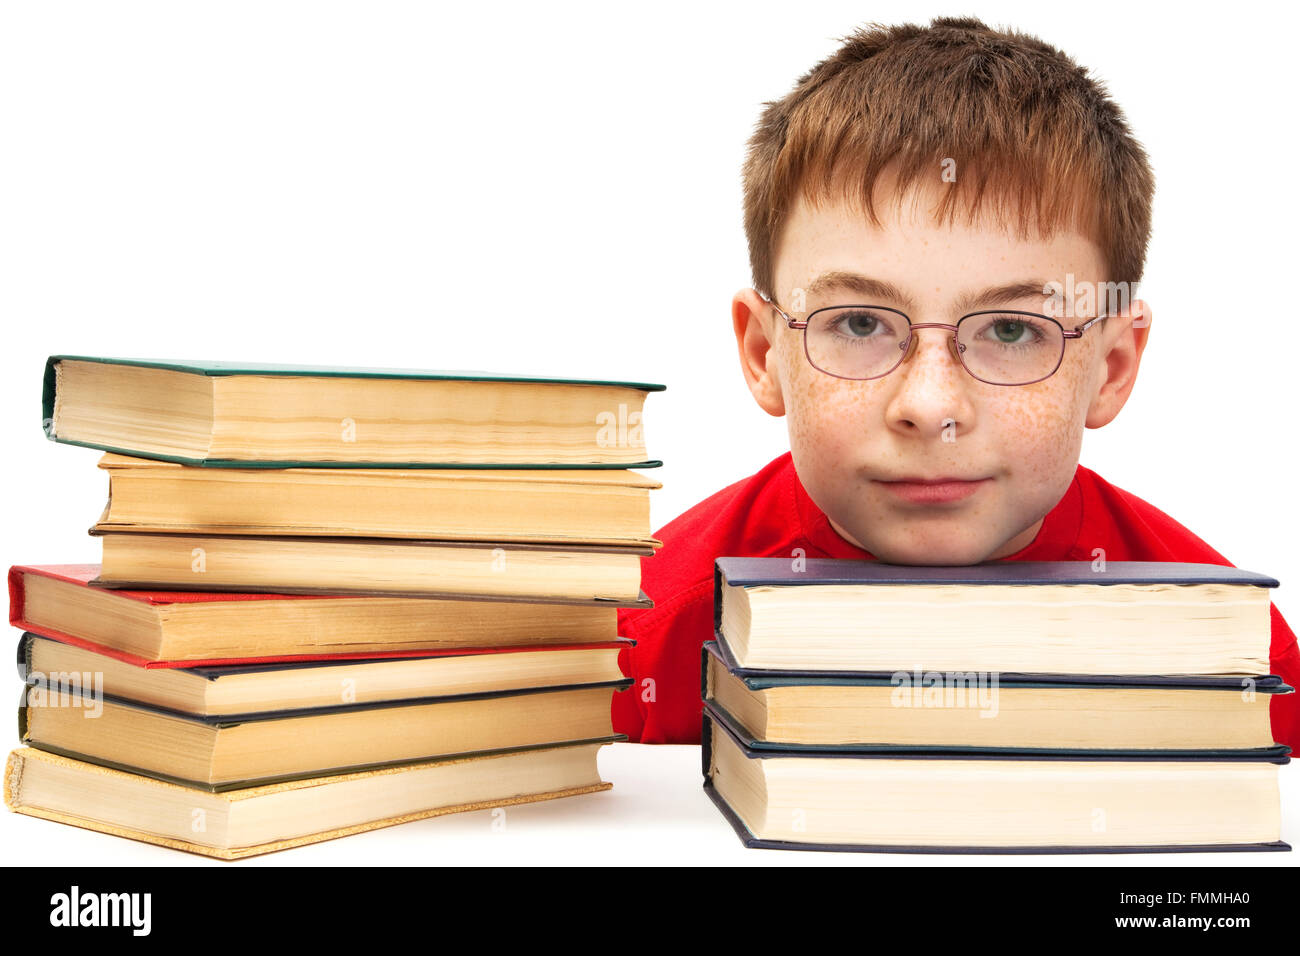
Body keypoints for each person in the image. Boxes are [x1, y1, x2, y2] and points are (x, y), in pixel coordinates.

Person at [613, 16, 1300, 748]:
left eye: (1011, 330)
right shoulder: (627, 650)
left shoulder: (1242, 658)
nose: (931, 407)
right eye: (859, 324)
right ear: (762, 353)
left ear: (1112, 368)